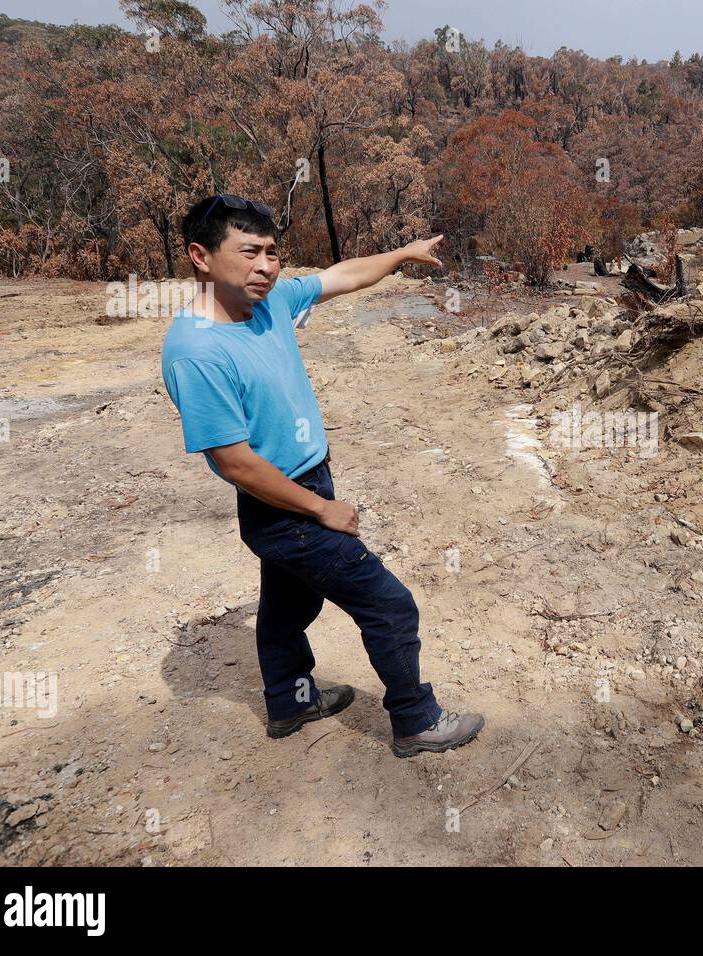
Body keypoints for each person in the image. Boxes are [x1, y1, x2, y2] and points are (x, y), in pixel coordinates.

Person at [159, 194, 484, 757]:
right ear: (201, 257)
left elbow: (344, 275)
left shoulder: (269, 303)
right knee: (389, 605)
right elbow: (233, 463)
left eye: (271, 253)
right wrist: (320, 509)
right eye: (249, 253)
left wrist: (402, 253)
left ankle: (290, 701)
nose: (265, 266)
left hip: (303, 488)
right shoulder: (196, 351)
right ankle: (416, 719)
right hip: (286, 508)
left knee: (287, 611)